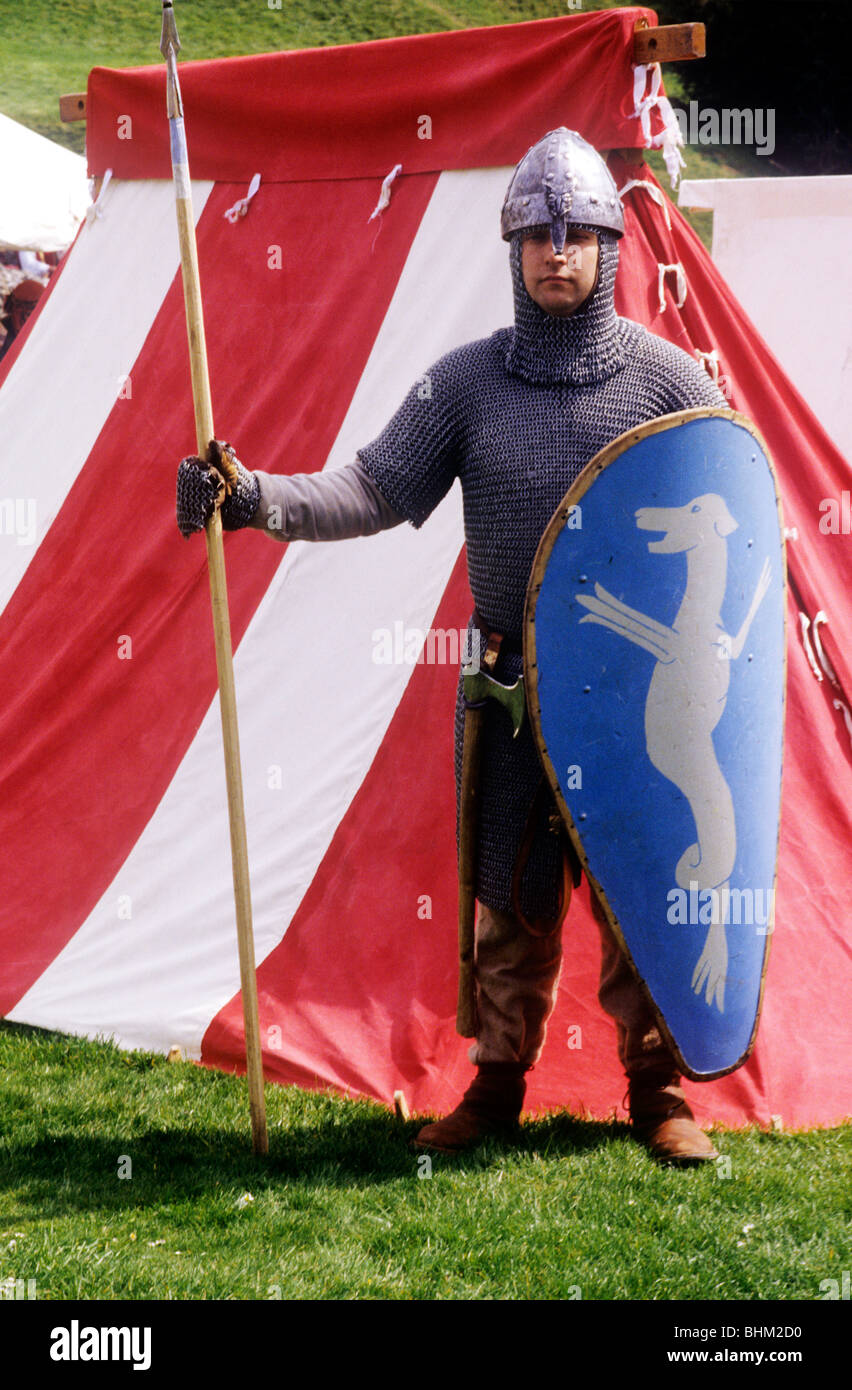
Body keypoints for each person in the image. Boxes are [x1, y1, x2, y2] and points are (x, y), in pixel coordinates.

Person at [177, 129, 727, 1164]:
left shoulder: (668, 381)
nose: (557, 252)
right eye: (537, 235)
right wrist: (253, 497)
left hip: (628, 691)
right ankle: (499, 1083)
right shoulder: (465, 385)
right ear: (512, 250)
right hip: (512, 686)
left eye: (577, 235)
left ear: (610, 247)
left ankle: (657, 1091)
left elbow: (730, 507)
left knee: (635, 891)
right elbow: (371, 490)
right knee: (509, 897)